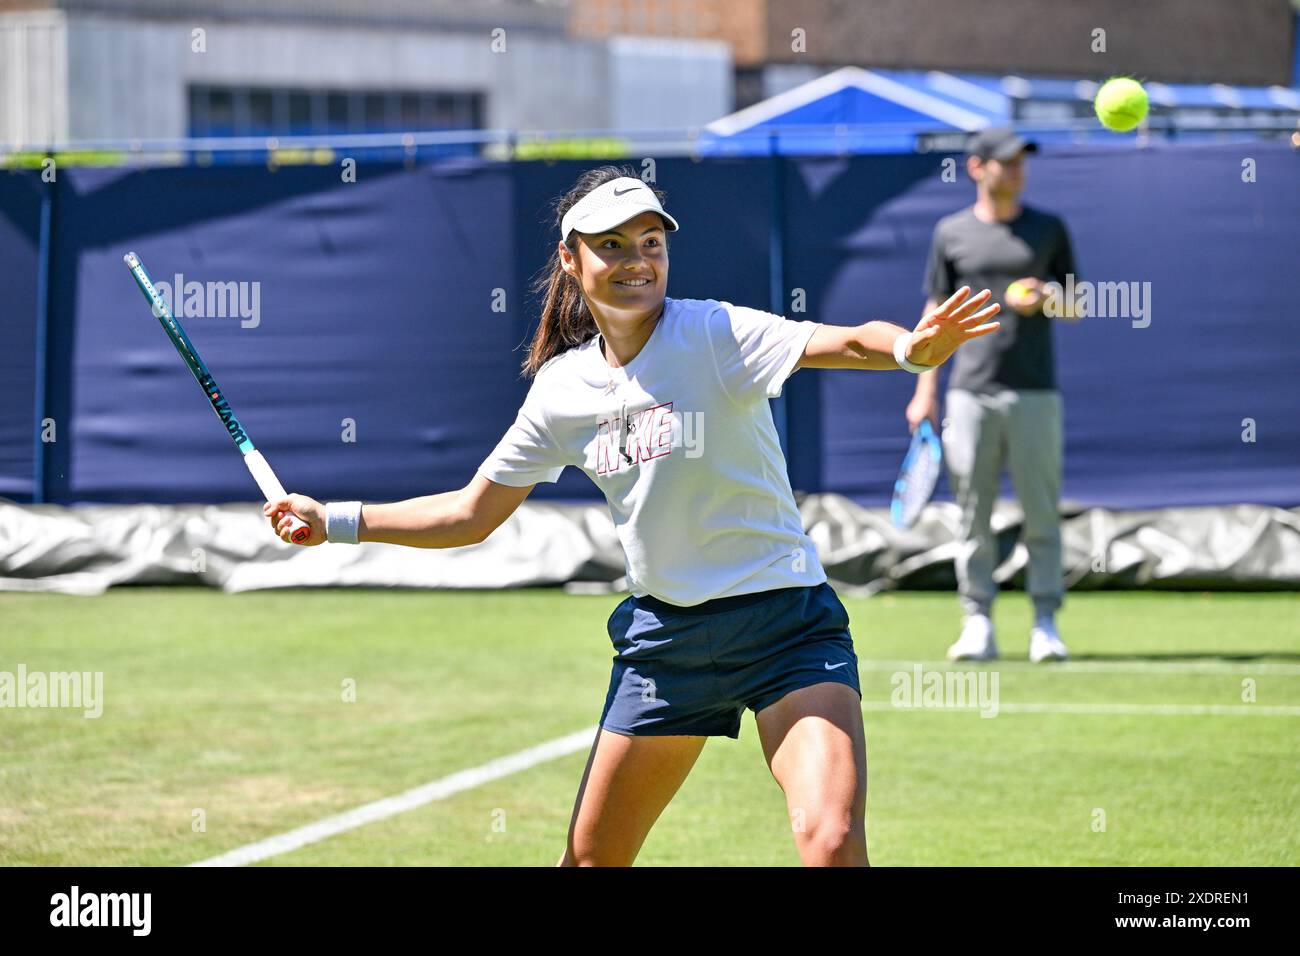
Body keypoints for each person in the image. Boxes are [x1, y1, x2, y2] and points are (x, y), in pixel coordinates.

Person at [264, 164, 1000, 866]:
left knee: (831, 842)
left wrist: (909, 348)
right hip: (666, 644)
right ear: (570, 259)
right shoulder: (561, 390)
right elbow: (468, 514)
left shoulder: (713, 332)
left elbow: (839, 342)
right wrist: (333, 520)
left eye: (651, 243)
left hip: (787, 629)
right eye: (612, 245)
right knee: (591, 861)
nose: (638, 260)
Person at [905, 127, 1078, 663]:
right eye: (1005, 161)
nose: (1016, 170)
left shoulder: (1048, 229)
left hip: (1035, 393)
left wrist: (1048, 296)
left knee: (1042, 511)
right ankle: (977, 620)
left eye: (1022, 161)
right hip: (968, 395)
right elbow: (934, 316)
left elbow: (1078, 304)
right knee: (972, 513)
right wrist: (923, 387)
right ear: (977, 167)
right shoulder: (951, 232)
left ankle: (1045, 623)